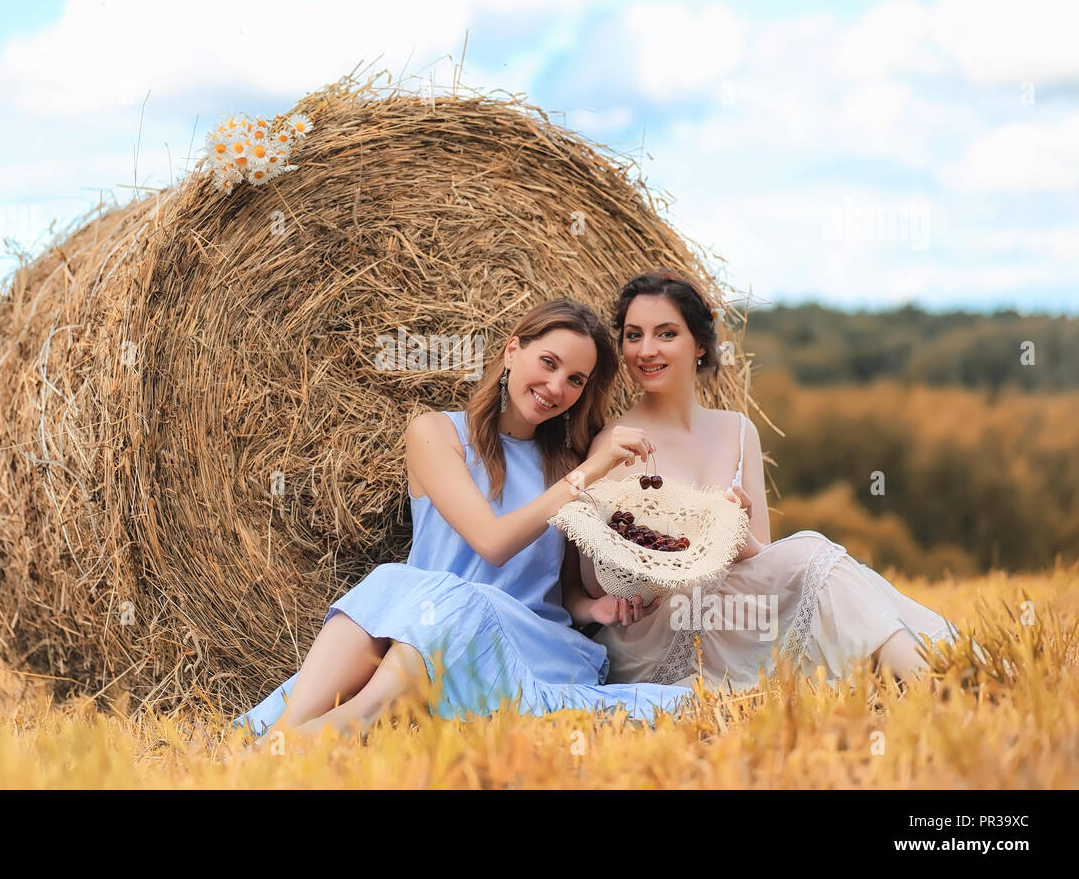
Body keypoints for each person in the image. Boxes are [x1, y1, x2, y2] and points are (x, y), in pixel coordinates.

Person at [231, 298, 694, 742]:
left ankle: (325, 733)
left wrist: (596, 609)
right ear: (513, 350)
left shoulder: (566, 467)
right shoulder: (436, 433)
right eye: (548, 363)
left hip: (523, 643)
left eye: (575, 380)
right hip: (425, 631)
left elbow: (560, 591)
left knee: (456, 606)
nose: (557, 388)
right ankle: (291, 732)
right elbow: (491, 542)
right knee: (403, 588)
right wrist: (587, 474)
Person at [562, 271, 960, 691]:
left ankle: (926, 677)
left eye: (665, 334)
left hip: (732, 614)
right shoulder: (614, 443)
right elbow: (586, 577)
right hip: (653, 634)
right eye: (633, 335)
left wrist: (734, 533)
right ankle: (930, 681)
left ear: (699, 344)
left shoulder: (738, 430)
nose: (646, 350)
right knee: (812, 552)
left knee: (815, 559)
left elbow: (764, 560)